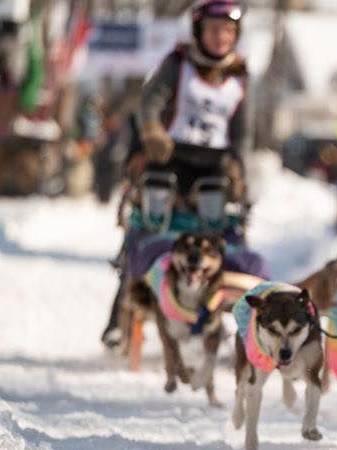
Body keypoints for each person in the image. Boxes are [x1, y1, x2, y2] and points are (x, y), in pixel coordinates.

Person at [100, 0, 266, 348]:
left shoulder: (241, 76)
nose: (221, 37)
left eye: (228, 31)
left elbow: (244, 134)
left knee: (224, 238)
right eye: (214, 30)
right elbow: (149, 104)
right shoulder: (177, 64)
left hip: (215, 168)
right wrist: (151, 133)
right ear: (199, 32)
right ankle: (120, 317)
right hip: (169, 158)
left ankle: (234, 317)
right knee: (145, 232)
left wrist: (242, 172)